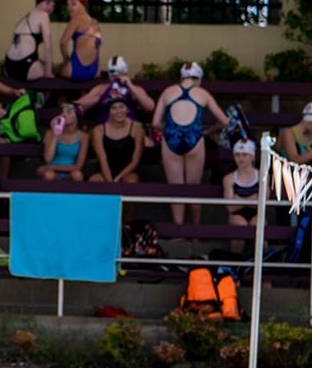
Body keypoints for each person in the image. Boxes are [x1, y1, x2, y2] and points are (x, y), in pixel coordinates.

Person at [151, 62, 229, 224]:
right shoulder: (202, 93)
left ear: (181, 77)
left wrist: (170, 127)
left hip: (172, 138)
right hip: (194, 138)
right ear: (199, 78)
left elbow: (155, 123)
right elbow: (224, 121)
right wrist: (211, 130)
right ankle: (195, 231)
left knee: (176, 189)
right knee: (194, 188)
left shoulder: (168, 92)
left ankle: (179, 230)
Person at [73, 56, 158, 120]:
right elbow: (76, 105)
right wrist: (99, 98)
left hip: (129, 127)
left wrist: (130, 86)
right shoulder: (101, 89)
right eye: (112, 72)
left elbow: (149, 107)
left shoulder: (134, 89)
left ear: (125, 72)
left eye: (119, 71)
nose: (115, 75)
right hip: (105, 127)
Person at [222, 139, 264, 258]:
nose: (241, 158)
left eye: (245, 154)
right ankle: (236, 261)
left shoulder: (262, 176)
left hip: (257, 213)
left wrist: (238, 199)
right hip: (237, 214)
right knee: (240, 225)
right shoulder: (229, 178)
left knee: (258, 224)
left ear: (252, 156)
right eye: (238, 155)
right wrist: (252, 200)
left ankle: (263, 262)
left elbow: (262, 203)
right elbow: (230, 207)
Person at [91, 99, 146, 183]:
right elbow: (102, 158)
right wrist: (110, 182)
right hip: (104, 170)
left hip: (128, 172)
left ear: (127, 109)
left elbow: (135, 161)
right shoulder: (98, 130)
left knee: (131, 181)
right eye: (114, 108)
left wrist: (118, 178)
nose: (118, 111)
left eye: (121, 107)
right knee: (94, 180)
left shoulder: (137, 130)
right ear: (109, 112)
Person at [4, 0, 56, 81]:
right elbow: (48, 47)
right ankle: (40, 95)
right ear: (47, 2)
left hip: (8, 66)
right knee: (51, 71)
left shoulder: (24, 17)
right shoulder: (43, 15)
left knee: (43, 63)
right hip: (25, 66)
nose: (52, 10)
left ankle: (25, 95)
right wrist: (48, 73)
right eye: (53, 6)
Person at [39, 98, 87, 181]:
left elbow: (79, 166)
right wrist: (56, 133)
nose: (64, 114)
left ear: (77, 117)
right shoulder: (50, 132)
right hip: (52, 172)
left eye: (69, 112)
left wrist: (54, 167)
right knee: (48, 175)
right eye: (62, 112)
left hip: (70, 171)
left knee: (77, 175)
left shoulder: (83, 136)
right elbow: (48, 158)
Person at [59, 0, 102, 81]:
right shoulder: (94, 22)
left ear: (83, 5)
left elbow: (63, 42)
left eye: (73, 4)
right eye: (68, 5)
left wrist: (66, 60)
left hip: (76, 69)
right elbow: (97, 48)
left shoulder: (77, 18)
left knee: (53, 71)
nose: (69, 8)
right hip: (94, 71)